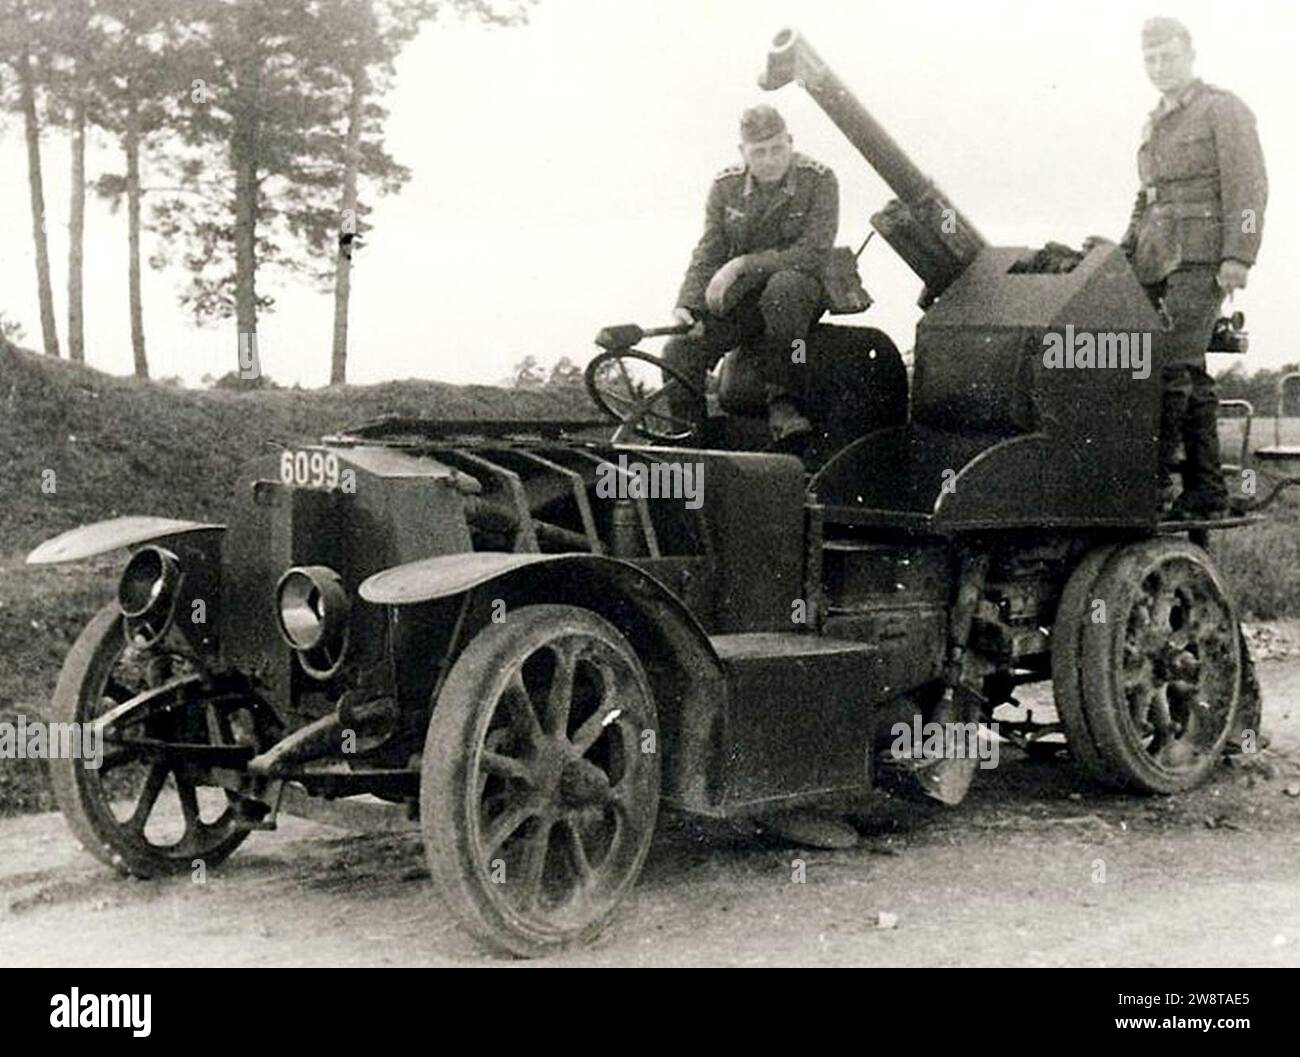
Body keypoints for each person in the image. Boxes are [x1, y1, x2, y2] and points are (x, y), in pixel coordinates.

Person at [1120, 16, 1268, 520]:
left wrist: (1238, 255)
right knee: (1190, 372)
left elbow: (1248, 189)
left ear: (1190, 55)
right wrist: (1126, 249)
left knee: (1166, 366)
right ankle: (1206, 487)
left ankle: (1153, 483)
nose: (1160, 67)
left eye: (1168, 57)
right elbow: (1147, 196)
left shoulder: (1221, 110)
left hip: (1202, 256)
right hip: (1154, 256)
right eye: (1151, 59)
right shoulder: (1154, 119)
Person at [664, 104, 838, 444]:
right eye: (759, 152)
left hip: (798, 297)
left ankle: (784, 402)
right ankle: (688, 440)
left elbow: (813, 253)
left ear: (790, 142)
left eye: (777, 149)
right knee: (678, 349)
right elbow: (709, 250)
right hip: (742, 300)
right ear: (743, 152)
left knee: (784, 288)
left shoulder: (819, 179)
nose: (770, 160)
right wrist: (687, 304)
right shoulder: (725, 186)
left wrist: (743, 264)